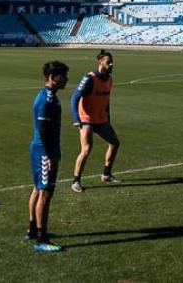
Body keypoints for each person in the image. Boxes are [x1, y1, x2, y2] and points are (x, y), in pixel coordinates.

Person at [27, 60, 69, 253]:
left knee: (38, 189)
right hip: (44, 151)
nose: (66, 80)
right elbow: (44, 130)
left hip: (42, 150)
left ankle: (33, 229)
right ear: (52, 78)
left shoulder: (48, 95)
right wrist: (51, 155)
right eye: (63, 76)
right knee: (45, 192)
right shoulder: (47, 99)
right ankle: (42, 238)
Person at [70, 50, 120, 192]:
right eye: (108, 62)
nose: (111, 64)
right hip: (86, 118)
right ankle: (76, 181)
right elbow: (75, 98)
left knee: (115, 143)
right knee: (86, 149)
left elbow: (106, 100)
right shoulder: (89, 79)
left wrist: (108, 117)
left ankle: (106, 174)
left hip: (100, 118)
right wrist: (76, 119)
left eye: (112, 62)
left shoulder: (109, 79)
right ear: (100, 62)